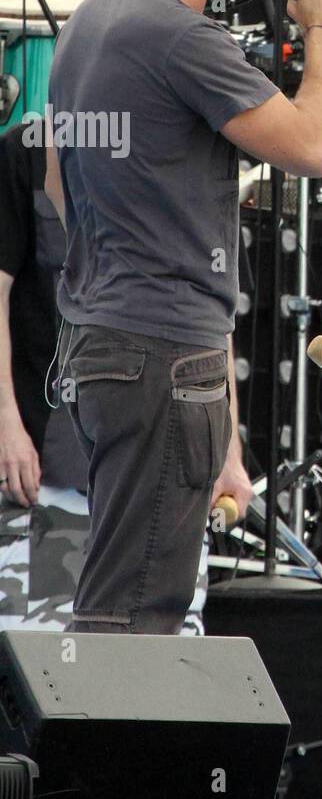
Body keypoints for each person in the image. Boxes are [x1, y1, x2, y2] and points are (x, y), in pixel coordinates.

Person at [42, 0, 322, 634]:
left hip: (102, 339)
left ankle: (99, 754)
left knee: (117, 595)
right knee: (140, 608)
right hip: (158, 353)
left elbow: (55, 182)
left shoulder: (91, 22)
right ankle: (107, 760)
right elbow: (314, 147)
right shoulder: (183, 39)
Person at [0, 122, 234, 634]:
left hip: (168, 459)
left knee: (163, 673)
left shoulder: (192, 152)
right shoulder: (29, 151)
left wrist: (228, 448)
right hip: (50, 468)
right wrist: (6, 424)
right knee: (43, 671)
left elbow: (213, 319)